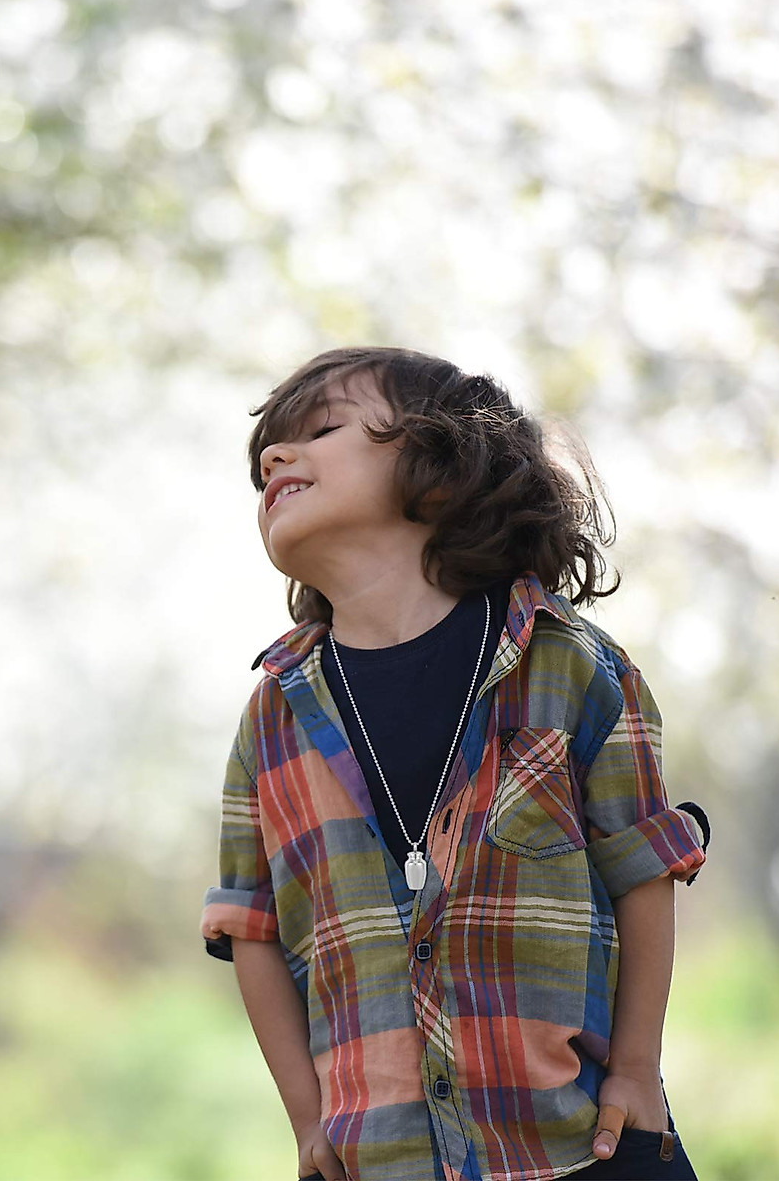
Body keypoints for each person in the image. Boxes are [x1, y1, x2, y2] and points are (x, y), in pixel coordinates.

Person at [199, 347, 711, 1181]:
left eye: (321, 430)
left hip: (580, 1150)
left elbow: (644, 865)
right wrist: (306, 1119)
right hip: (382, 1161)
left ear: (440, 468)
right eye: (266, 459)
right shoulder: (271, 721)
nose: (274, 459)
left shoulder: (569, 666)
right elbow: (250, 928)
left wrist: (636, 1070)